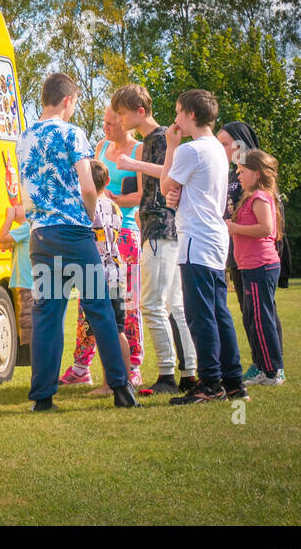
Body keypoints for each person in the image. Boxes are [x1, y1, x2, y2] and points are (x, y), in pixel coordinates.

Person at [16, 72, 138, 411]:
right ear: (68, 101)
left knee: (48, 314)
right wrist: (86, 217)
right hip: (73, 231)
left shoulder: (23, 137)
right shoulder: (72, 133)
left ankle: (42, 398)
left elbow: (24, 189)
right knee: (99, 309)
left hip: (40, 235)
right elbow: (88, 186)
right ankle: (121, 390)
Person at [158, 89, 248, 405]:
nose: (176, 119)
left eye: (179, 112)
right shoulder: (215, 150)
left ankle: (210, 383)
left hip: (196, 238)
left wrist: (171, 146)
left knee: (200, 315)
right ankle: (234, 381)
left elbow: (166, 185)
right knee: (218, 311)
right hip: (215, 237)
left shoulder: (190, 150)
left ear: (191, 115)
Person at [110, 84, 198, 395]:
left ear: (140, 112)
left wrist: (133, 165)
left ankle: (166, 375)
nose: (119, 120)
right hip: (156, 227)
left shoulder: (159, 138)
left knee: (151, 304)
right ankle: (188, 373)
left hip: (161, 229)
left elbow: (170, 172)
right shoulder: (151, 139)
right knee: (174, 305)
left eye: (122, 114)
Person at [59, 107, 143, 387]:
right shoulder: (114, 208)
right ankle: (99, 372)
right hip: (114, 263)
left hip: (108, 257)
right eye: (104, 122)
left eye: (110, 122)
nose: (106, 127)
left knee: (119, 316)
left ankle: (123, 373)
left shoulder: (138, 150)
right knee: (106, 321)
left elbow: (139, 195)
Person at [218, 121, 288, 384]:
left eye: (225, 143)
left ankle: (272, 367)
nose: (238, 174)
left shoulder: (258, 192)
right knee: (251, 314)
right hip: (243, 260)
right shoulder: (236, 181)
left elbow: (268, 227)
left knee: (262, 314)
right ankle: (262, 365)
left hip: (260, 260)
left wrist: (234, 227)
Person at [78, 161, 134, 398]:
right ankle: (127, 378)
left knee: (103, 330)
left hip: (96, 272)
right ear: (107, 182)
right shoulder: (115, 208)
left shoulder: (86, 208)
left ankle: (108, 383)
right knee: (119, 329)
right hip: (117, 270)